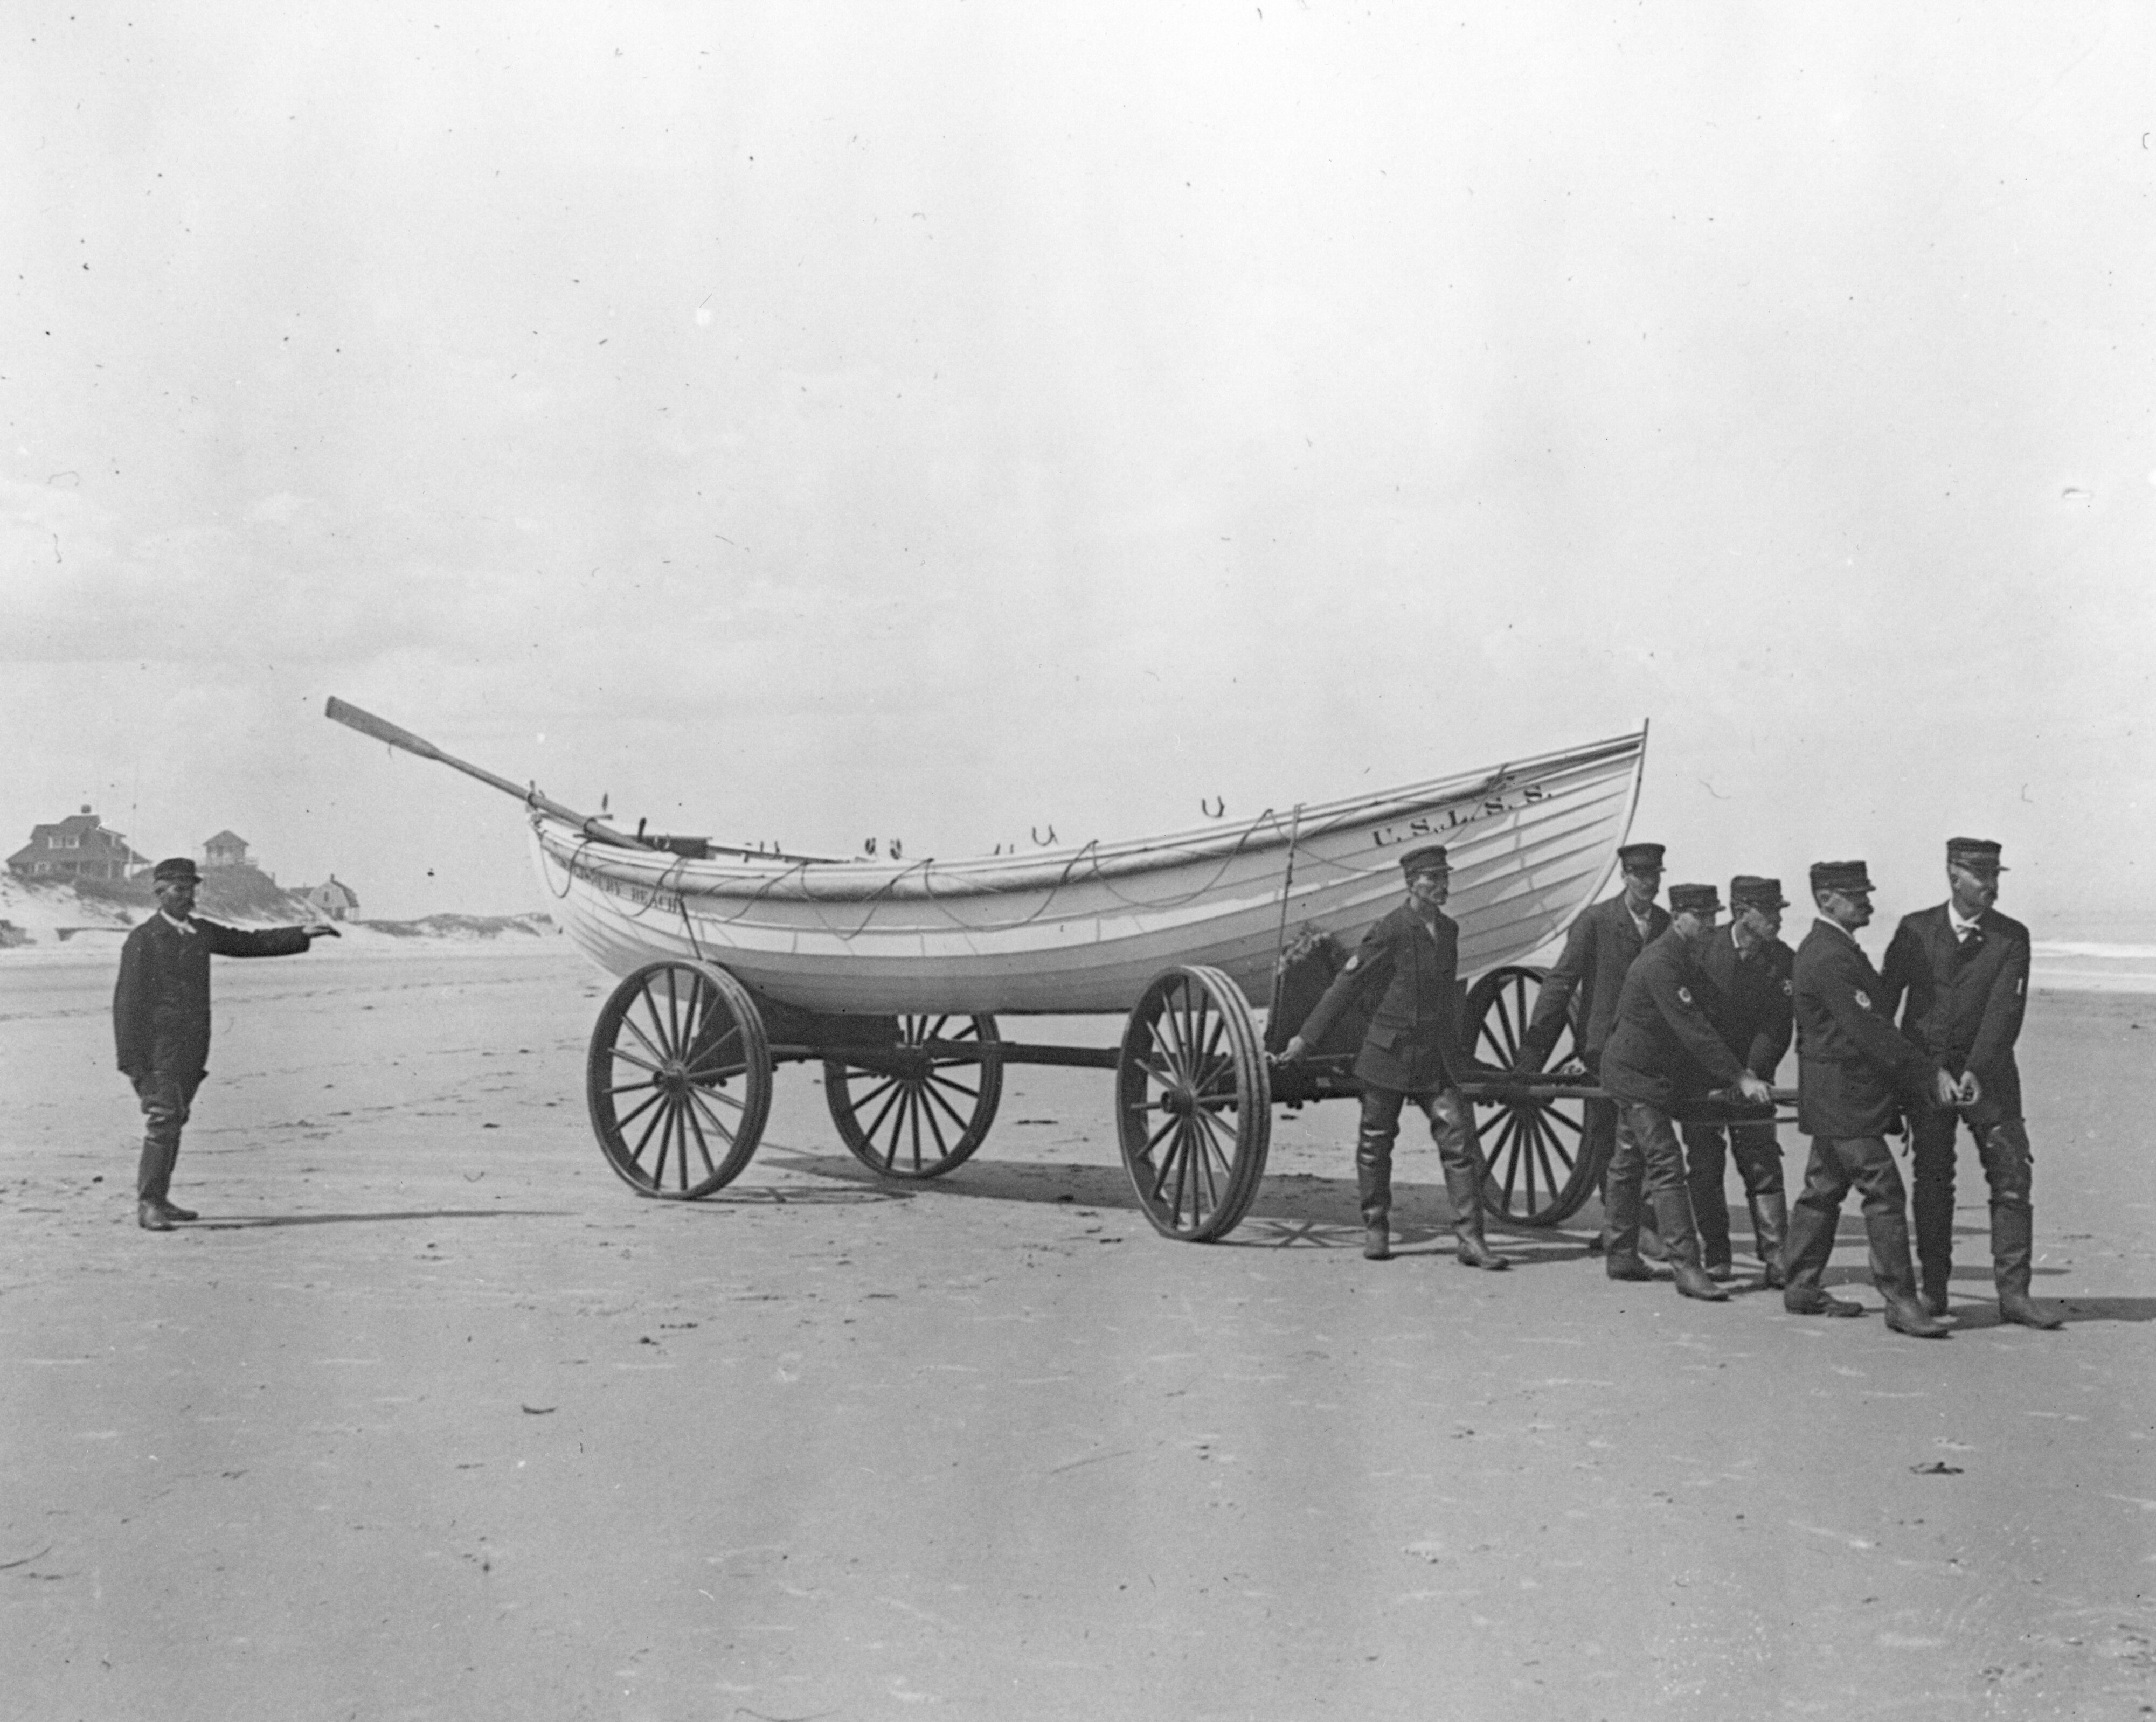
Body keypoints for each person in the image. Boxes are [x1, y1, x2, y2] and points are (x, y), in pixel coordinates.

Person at [1281, 844, 1511, 1269]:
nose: (1442, 886)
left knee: (1458, 1143)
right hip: (1388, 1053)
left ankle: (1471, 1240)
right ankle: (1375, 1226)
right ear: (1412, 884)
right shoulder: (1390, 929)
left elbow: (1448, 996)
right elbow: (1346, 987)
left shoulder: (1449, 930)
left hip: (1434, 1055)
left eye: (1445, 878)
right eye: (1433, 879)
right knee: (1375, 1141)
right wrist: (1305, 1041)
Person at [1880, 838, 2062, 1329]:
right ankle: (1934, 1291)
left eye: (1996, 876)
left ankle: (2014, 1295)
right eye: (1982, 877)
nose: (1992, 887)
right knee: (1933, 1181)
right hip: (1927, 1080)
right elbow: (1885, 1005)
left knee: (2011, 1179)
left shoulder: (2011, 937)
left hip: (1991, 1077)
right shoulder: (1914, 930)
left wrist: (1974, 1071)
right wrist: (1921, 1073)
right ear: (1952, 874)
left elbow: (2006, 1011)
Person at [112, 856, 339, 1231]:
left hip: (193, 1047)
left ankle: (161, 1199)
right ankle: (149, 1204)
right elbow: (126, 1005)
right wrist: (131, 1064)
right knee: (164, 1120)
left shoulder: (197, 931)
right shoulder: (143, 939)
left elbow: (246, 942)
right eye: (179, 890)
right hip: (157, 1052)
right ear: (159, 893)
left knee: (176, 1119)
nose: (187, 896)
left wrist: (302, 933)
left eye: (191, 889)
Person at [1780, 860, 1955, 1337]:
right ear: (1826, 900)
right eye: (1857, 897)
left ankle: (1799, 1285)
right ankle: (1900, 1301)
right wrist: (1926, 1071)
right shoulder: (1830, 956)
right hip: (1845, 1098)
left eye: (1866, 894)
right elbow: (1869, 1029)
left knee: (1822, 1188)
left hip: (1834, 1095)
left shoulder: (1833, 949)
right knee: (1882, 1192)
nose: (1868, 903)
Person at [1597, 883, 1773, 1301]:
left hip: (1651, 1072)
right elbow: (1693, 1028)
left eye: (1714, 916)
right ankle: (1687, 1267)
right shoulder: (1662, 962)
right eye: (1701, 917)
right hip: (1634, 1073)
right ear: (1677, 916)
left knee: (1626, 1160)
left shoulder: (1686, 956)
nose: (1710, 925)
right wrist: (1740, 1077)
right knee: (1665, 1162)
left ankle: (1620, 1253)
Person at [1513, 841, 1670, 1251]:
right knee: (1612, 1135)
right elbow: (1561, 982)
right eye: (1640, 876)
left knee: (1637, 1134)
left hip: (1649, 1050)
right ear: (1625, 876)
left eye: (1654, 876)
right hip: (1602, 1049)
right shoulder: (1596, 921)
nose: (1648, 884)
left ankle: (1630, 1227)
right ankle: (1628, 1227)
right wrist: (1531, 1057)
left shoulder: (1665, 924)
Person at [1679, 876, 1795, 1285]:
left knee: (1762, 1162)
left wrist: (1752, 1075)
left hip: (1754, 1079)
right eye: (1770, 911)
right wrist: (1727, 1074)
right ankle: (1717, 1254)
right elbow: (1693, 1024)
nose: (1778, 919)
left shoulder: (1783, 959)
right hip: (1701, 1077)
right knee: (1705, 1167)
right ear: (1741, 912)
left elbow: (1777, 1025)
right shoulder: (1699, 952)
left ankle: (1777, 1258)